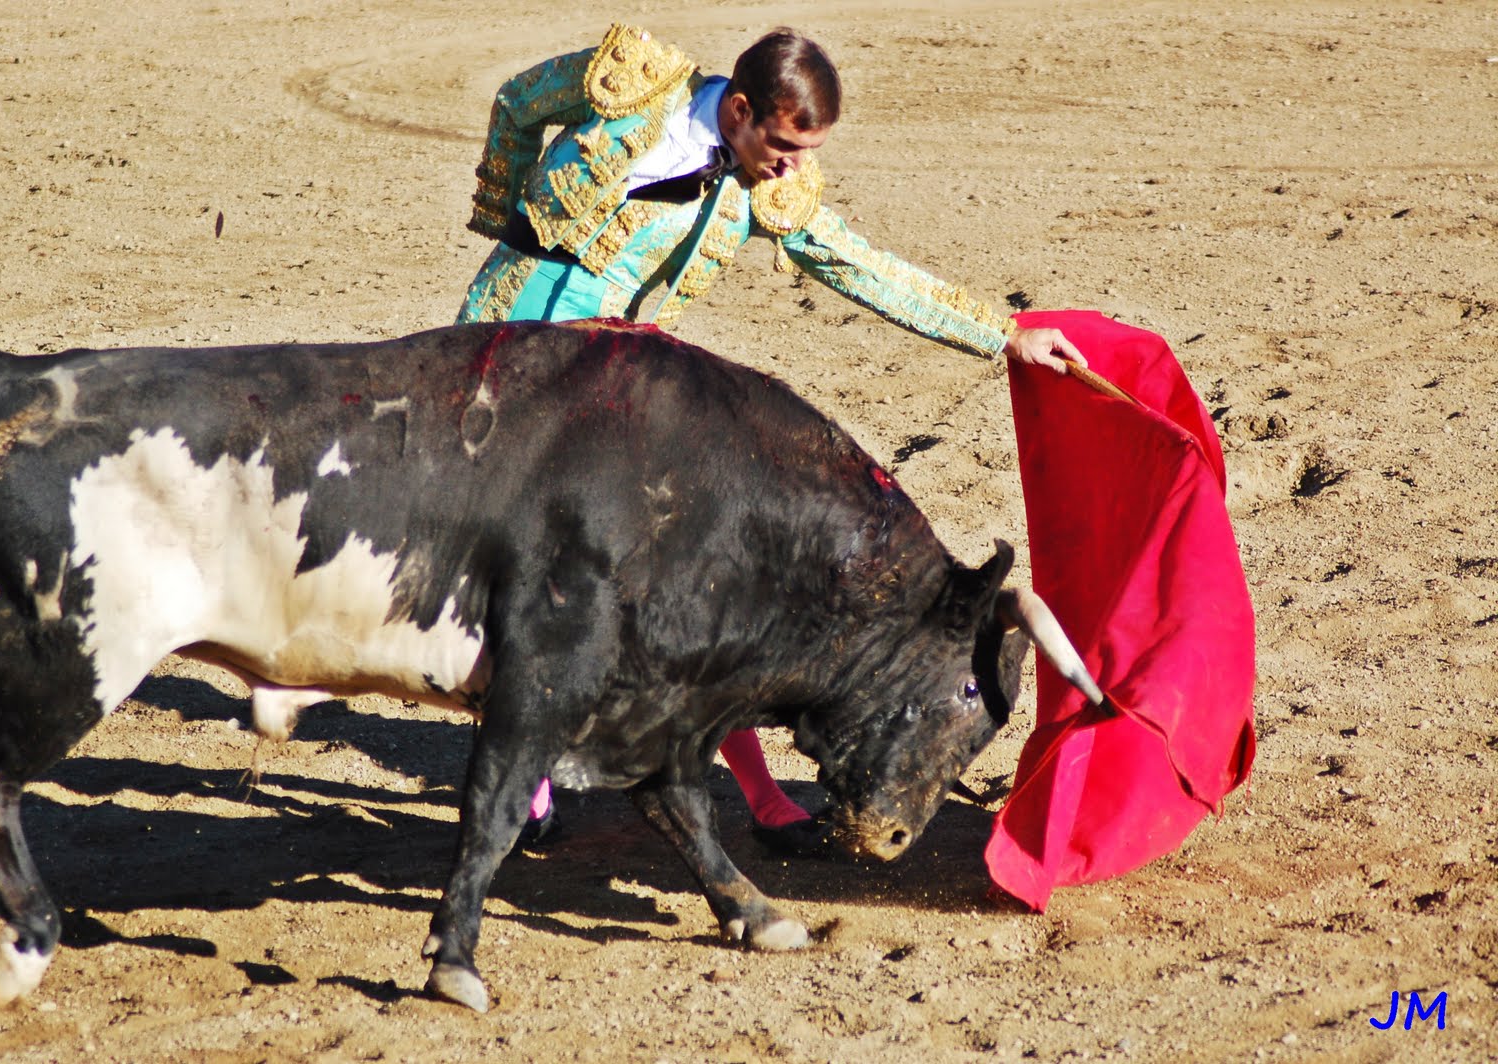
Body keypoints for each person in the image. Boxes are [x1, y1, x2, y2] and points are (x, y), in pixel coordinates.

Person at [460, 24, 1085, 854]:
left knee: (680, 576)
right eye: (784, 146)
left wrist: (1002, 335)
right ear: (741, 111)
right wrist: (508, 222)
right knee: (512, 568)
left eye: (806, 152)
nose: (792, 168)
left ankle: (754, 791)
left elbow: (859, 264)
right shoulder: (631, 84)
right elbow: (515, 104)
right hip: (495, 349)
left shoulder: (766, 187)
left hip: (604, 379)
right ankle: (526, 768)